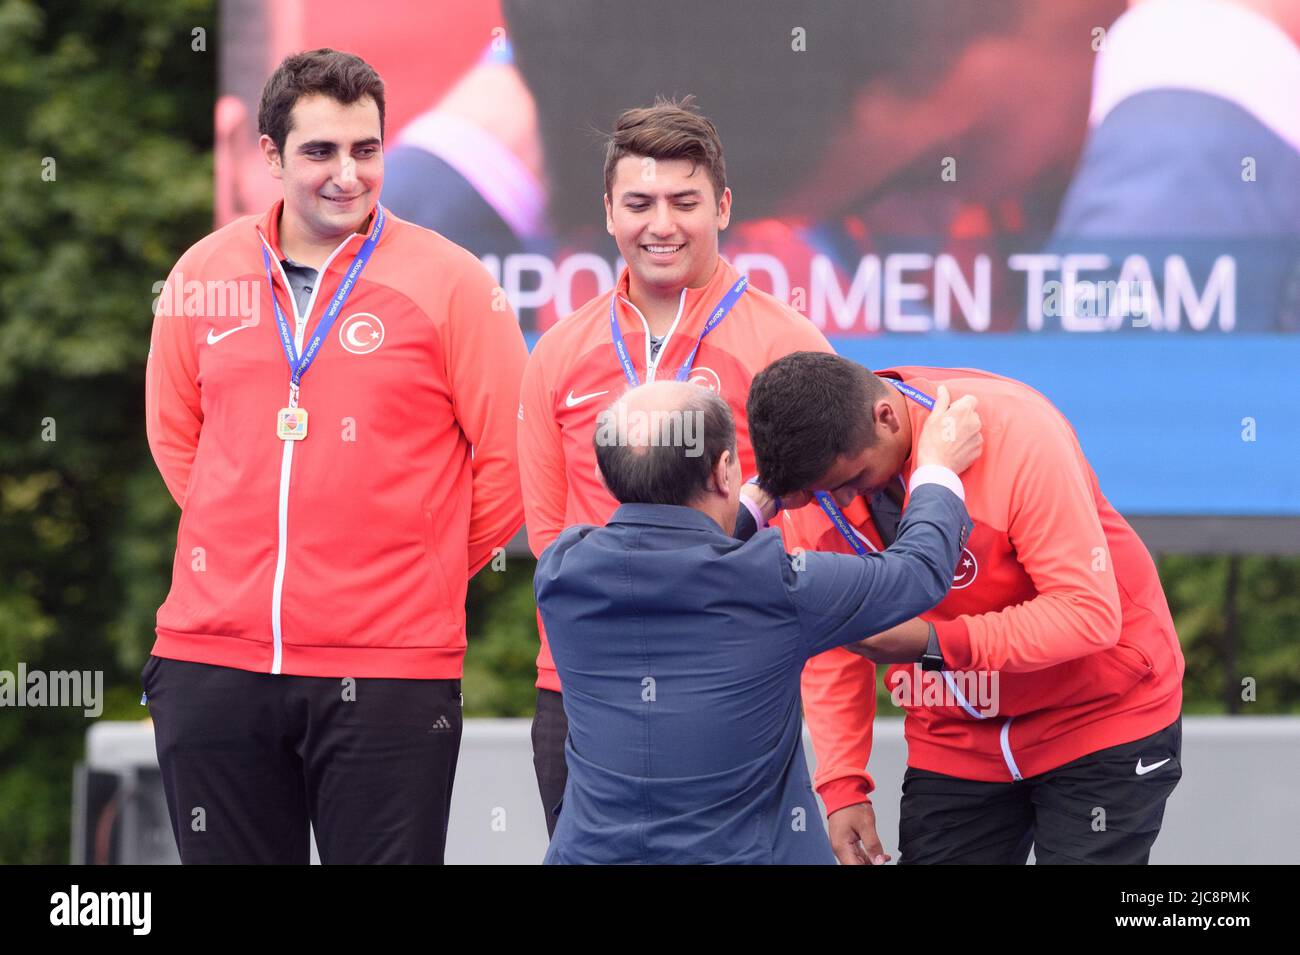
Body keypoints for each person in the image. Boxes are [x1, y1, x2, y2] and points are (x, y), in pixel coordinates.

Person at [143, 49, 528, 864]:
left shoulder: (454, 282)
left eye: (367, 149)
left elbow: (510, 460)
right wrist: (246, 539)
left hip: (391, 670)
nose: (347, 174)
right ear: (273, 157)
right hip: (213, 662)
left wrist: (415, 570)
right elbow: (182, 443)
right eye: (321, 151)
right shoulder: (203, 276)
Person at [516, 97, 837, 837]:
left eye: (684, 201)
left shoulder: (789, 343)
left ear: (723, 205)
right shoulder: (560, 351)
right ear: (607, 212)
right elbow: (548, 533)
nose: (661, 224)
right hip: (583, 689)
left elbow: (819, 536)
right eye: (639, 202)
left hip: (730, 683)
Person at [747, 352, 1186, 865]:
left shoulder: (1015, 430)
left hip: (1098, 715)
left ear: (886, 417)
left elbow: (1086, 614)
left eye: (854, 480)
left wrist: (934, 644)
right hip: (956, 736)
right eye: (823, 492)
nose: (840, 501)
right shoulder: (817, 484)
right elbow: (835, 640)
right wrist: (842, 783)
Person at [535, 379, 980, 863]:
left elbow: (675, 559)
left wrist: (751, 504)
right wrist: (937, 471)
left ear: (606, 478)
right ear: (724, 471)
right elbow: (917, 575)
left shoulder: (562, 572)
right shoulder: (774, 585)